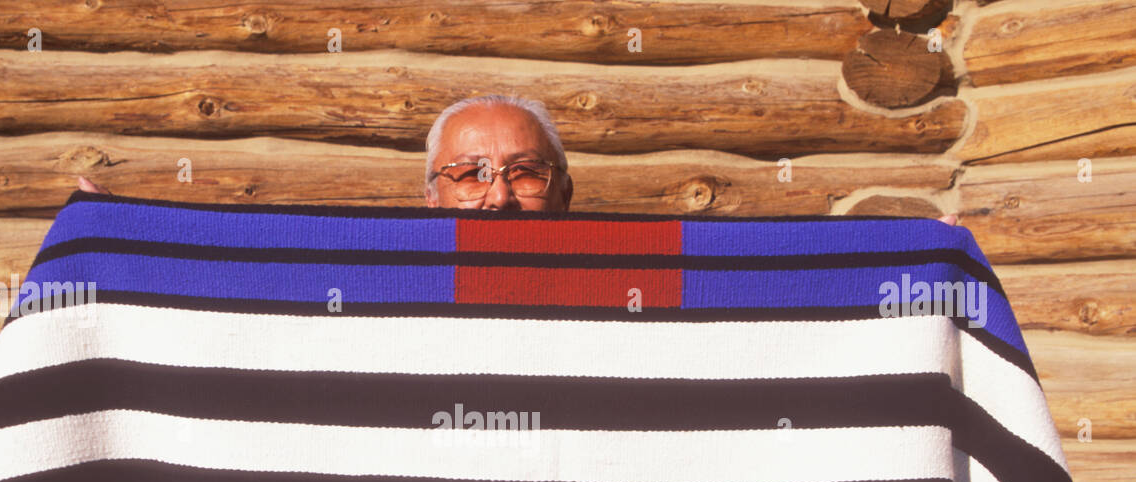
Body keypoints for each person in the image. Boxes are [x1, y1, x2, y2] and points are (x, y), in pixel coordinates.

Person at [75, 92, 958, 225]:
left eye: (525, 172)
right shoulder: (367, 283)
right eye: (469, 175)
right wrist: (120, 240)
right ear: (430, 194)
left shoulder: (634, 288)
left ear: (566, 188)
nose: (498, 196)